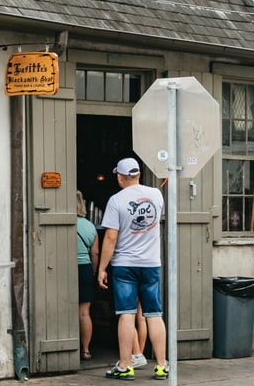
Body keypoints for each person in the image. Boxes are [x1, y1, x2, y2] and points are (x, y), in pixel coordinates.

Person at [97, 158, 167, 381]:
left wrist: (102, 268)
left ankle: (126, 366)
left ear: (119, 177)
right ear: (138, 174)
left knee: (126, 314)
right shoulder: (156, 195)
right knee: (154, 314)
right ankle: (162, 366)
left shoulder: (116, 200)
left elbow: (110, 237)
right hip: (151, 264)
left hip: (125, 265)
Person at [75, 191, 99, 361]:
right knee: (84, 312)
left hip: (64, 269)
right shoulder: (89, 226)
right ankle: (85, 350)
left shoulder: (64, 223)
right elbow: (95, 253)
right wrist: (95, 271)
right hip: (84, 269)